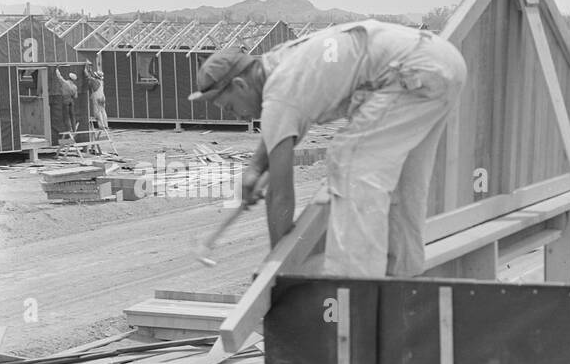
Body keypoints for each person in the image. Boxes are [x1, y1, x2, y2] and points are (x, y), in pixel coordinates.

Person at [187, 20, 467, 277]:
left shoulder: (279, 93)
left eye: (230, 106)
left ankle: (356, 286)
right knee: (403, 183)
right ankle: (404, 276)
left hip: (409, 73)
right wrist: (254, 169)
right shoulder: (279, 63)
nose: (237, 116)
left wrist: (279, 267)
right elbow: (280, 123)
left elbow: (280, 195)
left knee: (349, 161)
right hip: (441, 62)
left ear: (240, 84)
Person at [83, 61, 109, 134]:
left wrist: (85, 67)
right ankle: (106, 125)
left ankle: (101, 125)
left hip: (97, 97)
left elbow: (87, 76)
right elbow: (92, 75)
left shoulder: (94, 81)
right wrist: (90, 70)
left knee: (98, 111)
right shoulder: (101, 81)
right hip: (102, 96)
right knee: (103, 110)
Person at [51, 68, 79, 137]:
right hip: (71, 101)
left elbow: (59, 76)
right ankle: (74, 129)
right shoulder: (75, 87)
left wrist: (56, 69)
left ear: (69, 77)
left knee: (66, 116)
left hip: (65, 100)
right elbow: (75, 96)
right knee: (72, 116)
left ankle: (69, 129)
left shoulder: (65, 83)